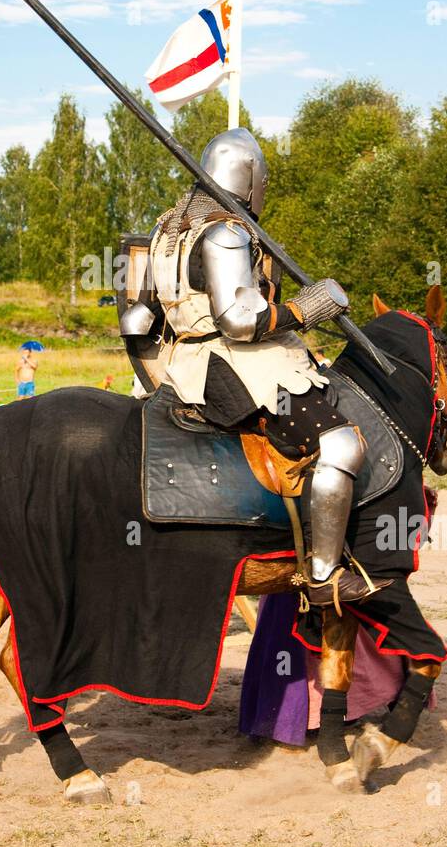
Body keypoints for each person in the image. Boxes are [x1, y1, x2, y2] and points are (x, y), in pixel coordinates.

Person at [128, 126, 366, 604]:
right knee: (341, 445)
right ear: (252, 178)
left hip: (181, 367)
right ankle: (324, 575)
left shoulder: (167, 231)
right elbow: (239, 319)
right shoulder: (225, 232)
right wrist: (311, 307)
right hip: (233, 367)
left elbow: (137, 318)